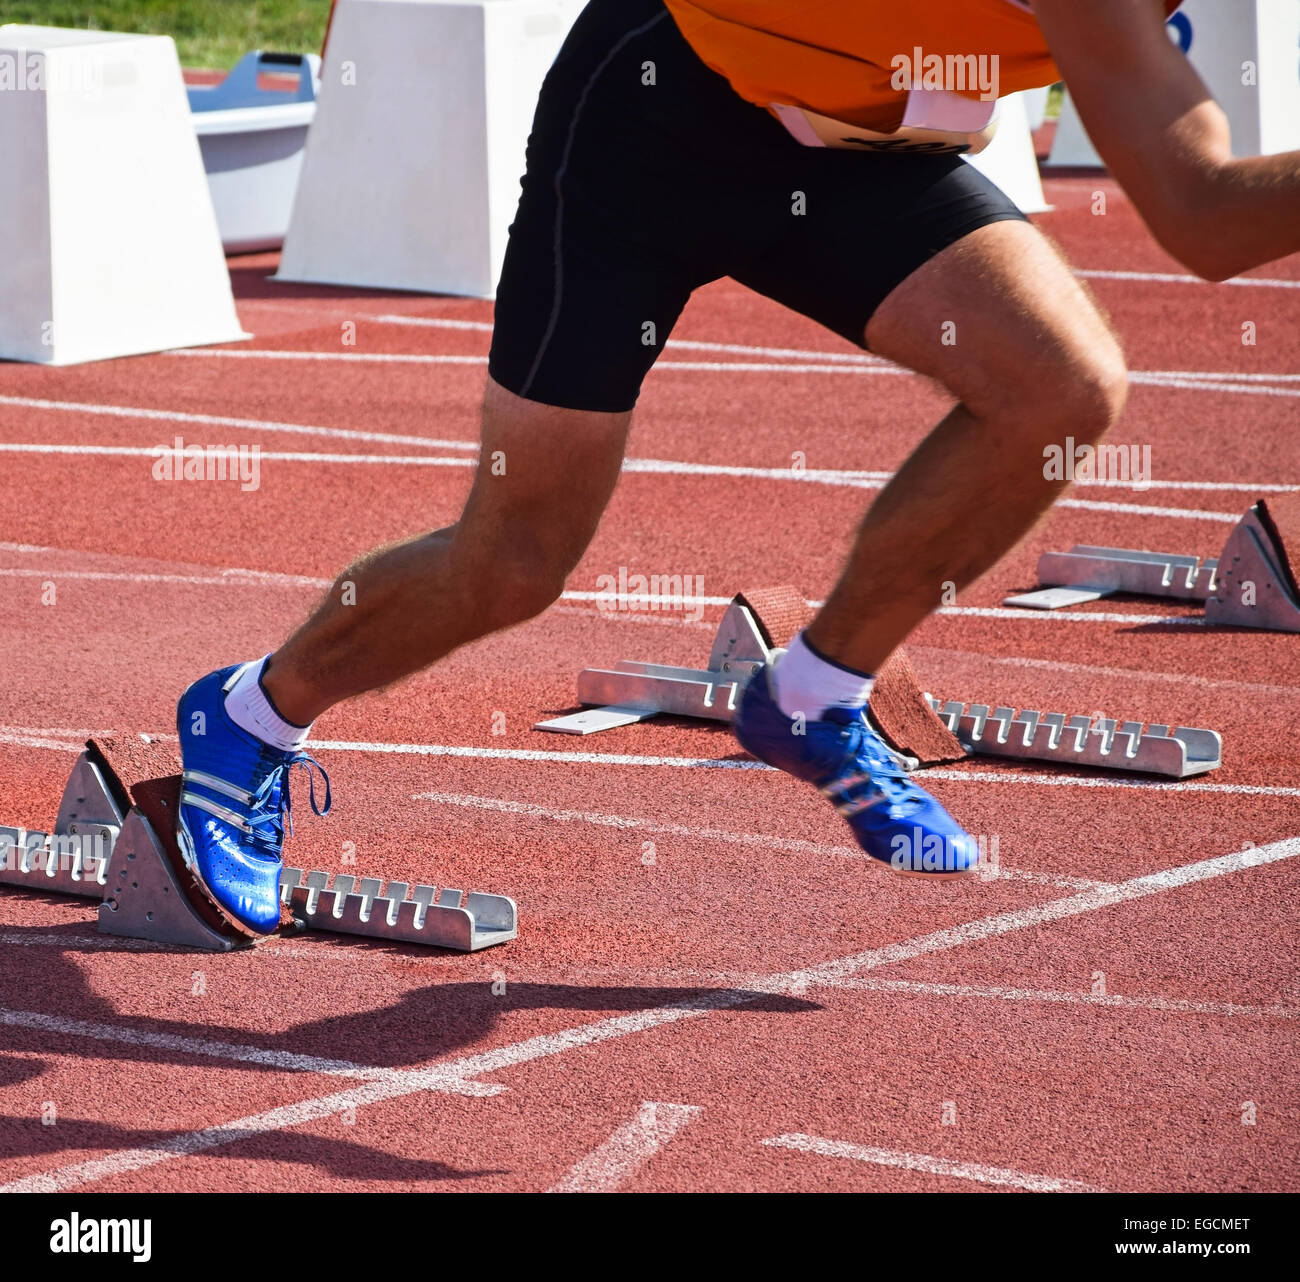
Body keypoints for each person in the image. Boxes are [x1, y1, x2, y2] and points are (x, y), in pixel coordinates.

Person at [174, 0, 1300, 933]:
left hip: (861, 149)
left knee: (1061, 387)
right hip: (656, 119)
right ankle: (251, 716)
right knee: (514, 561)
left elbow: (1199, 211)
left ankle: (812, 698)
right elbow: (1201, 215)